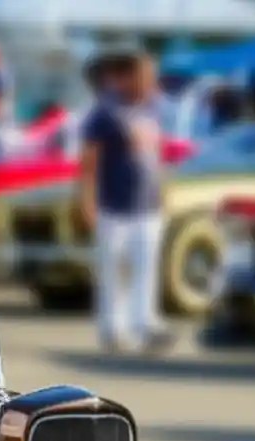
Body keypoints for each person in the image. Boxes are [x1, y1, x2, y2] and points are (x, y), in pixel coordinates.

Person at [78, 50, 172, 353]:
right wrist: (87, 201)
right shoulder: (105, 112)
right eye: (145, 76)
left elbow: (156, 155)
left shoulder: (150, 110)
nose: (150, 82)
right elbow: (89, 161)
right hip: (114, 207)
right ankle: (113, 329)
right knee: (115, 272)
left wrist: (163, 191)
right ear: (126, 77)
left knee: (146, 269)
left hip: (147, 206)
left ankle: (145, 324)